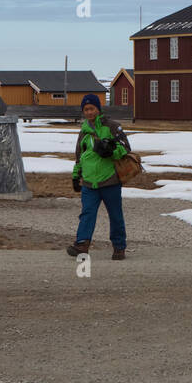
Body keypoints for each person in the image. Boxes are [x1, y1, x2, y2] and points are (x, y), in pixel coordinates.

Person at [68, 93, 132, 260]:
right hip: (89, 183)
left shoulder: (112, 127)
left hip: (110, 180)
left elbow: (126, 149)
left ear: (98, 109)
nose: (89, 112)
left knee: (115, 215)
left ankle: (119, 247)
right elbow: (79, 156)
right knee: (87, 213)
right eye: (86, 109)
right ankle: (82, 244)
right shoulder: (83, 132)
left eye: (92, 108)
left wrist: (111, 150)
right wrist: (76, 176)